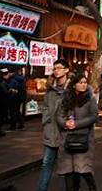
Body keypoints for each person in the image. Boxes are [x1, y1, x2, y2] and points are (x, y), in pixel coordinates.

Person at [55, 73, 98, 191]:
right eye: (80, 83)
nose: (83, 85)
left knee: (83, 168)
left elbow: (94, 116)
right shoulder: (66, 98)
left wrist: (77, 124)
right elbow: (58, 116)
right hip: (67, 138)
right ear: (74, 85)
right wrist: (65, 123)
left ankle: (92, 187)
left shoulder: (90, 99)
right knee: (68, 169)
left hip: (83, 138)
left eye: (85, 82)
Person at [36, 59, 70, 191]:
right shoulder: (50, 90)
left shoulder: (73, 88)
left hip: (67, 133)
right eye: (54, 68)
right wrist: (46, 121)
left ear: (66, 70)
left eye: (59, 68)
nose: (56, 70)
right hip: (50, 132)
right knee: (46, 163)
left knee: (69, 167)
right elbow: (45, 107)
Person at [0, 68, 12, 137]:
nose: (8, 76)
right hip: (2, 102)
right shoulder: (2, 82)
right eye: (7, 74)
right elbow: (5, 92)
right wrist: (10, 91)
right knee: (1, 117)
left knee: (0, 117)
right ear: (4, 75)